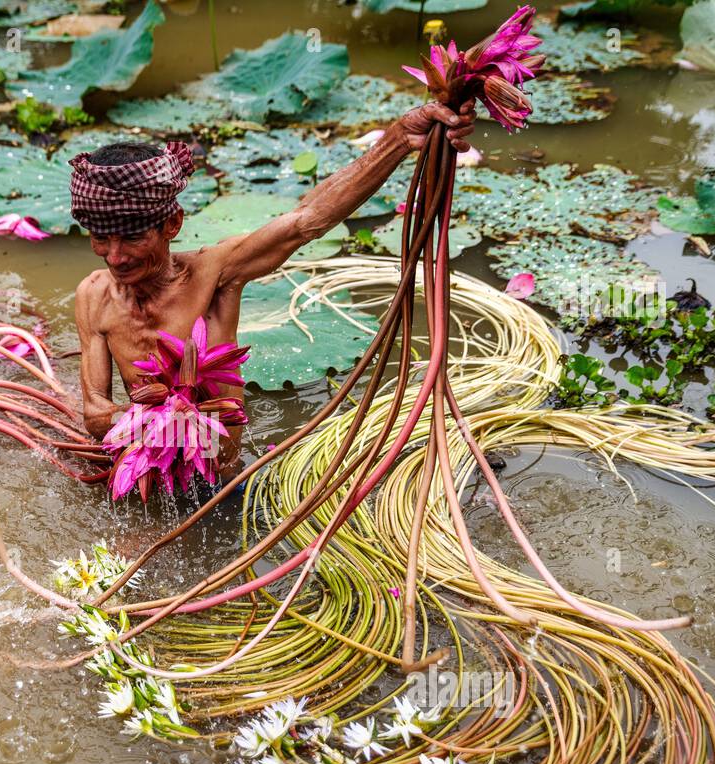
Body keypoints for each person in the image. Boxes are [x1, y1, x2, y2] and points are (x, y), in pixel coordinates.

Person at [70, 100, 476, 482]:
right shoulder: (94, 296)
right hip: (142, 468)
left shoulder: (215, 274)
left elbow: (306, 221)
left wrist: (401, 137)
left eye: (131, 238)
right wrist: (154, 423)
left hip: (222, 478)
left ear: (171, 225)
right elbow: (94, 412)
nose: (115, 256)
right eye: (101, 239)